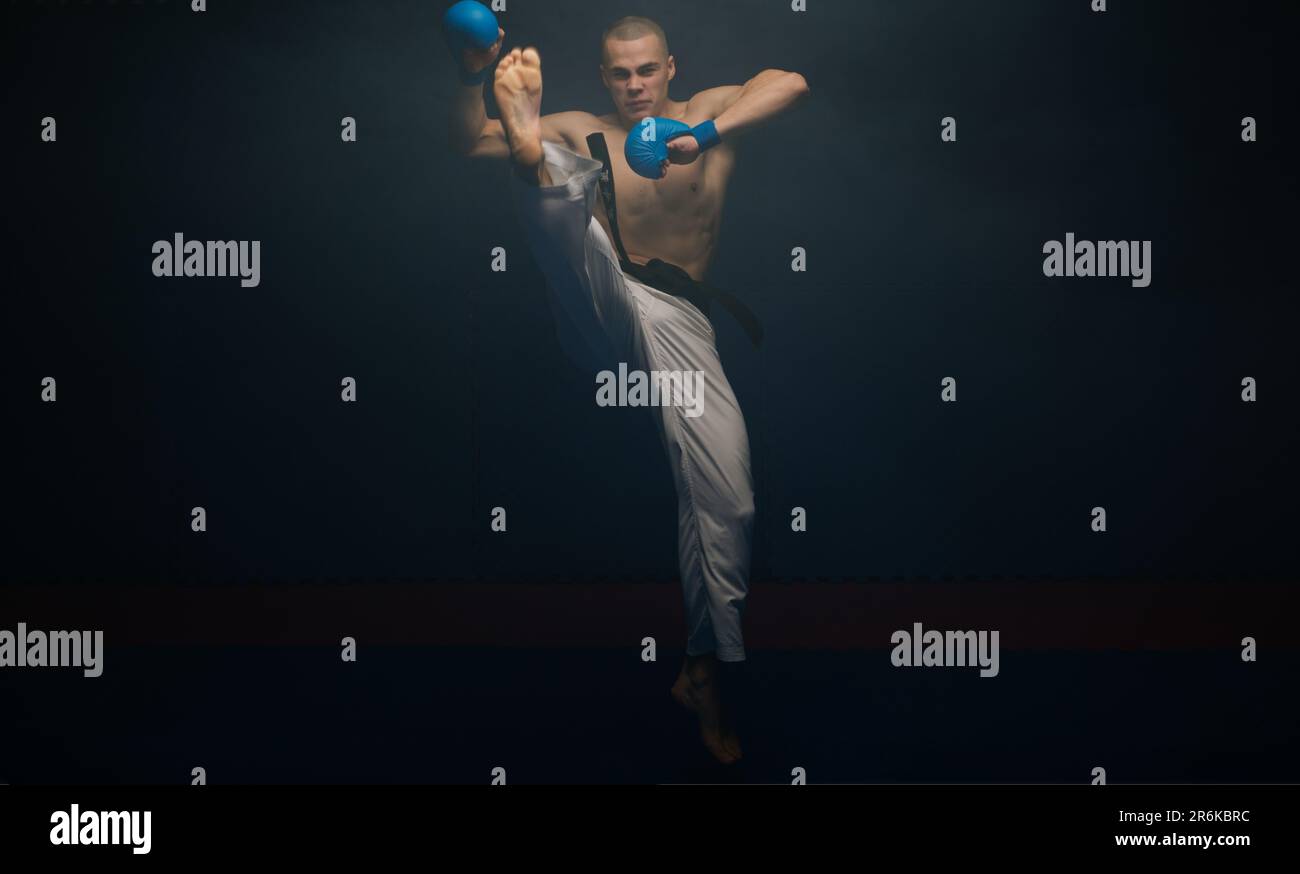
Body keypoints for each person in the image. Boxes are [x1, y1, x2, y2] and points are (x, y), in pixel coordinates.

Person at [449, 14, 809, 765]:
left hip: (684, 325)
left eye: (646, 71)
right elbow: (465, 140)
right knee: (566, 200)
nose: (635, 86)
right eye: (620, 74)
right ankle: (534, 166)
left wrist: (702, 136)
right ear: (604, 77)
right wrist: (469, 75)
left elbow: (792, 83)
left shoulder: (706, 113)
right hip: (608, 298)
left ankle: (703, 671)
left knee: (729, 498)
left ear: (670, 67)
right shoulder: (589, 124)